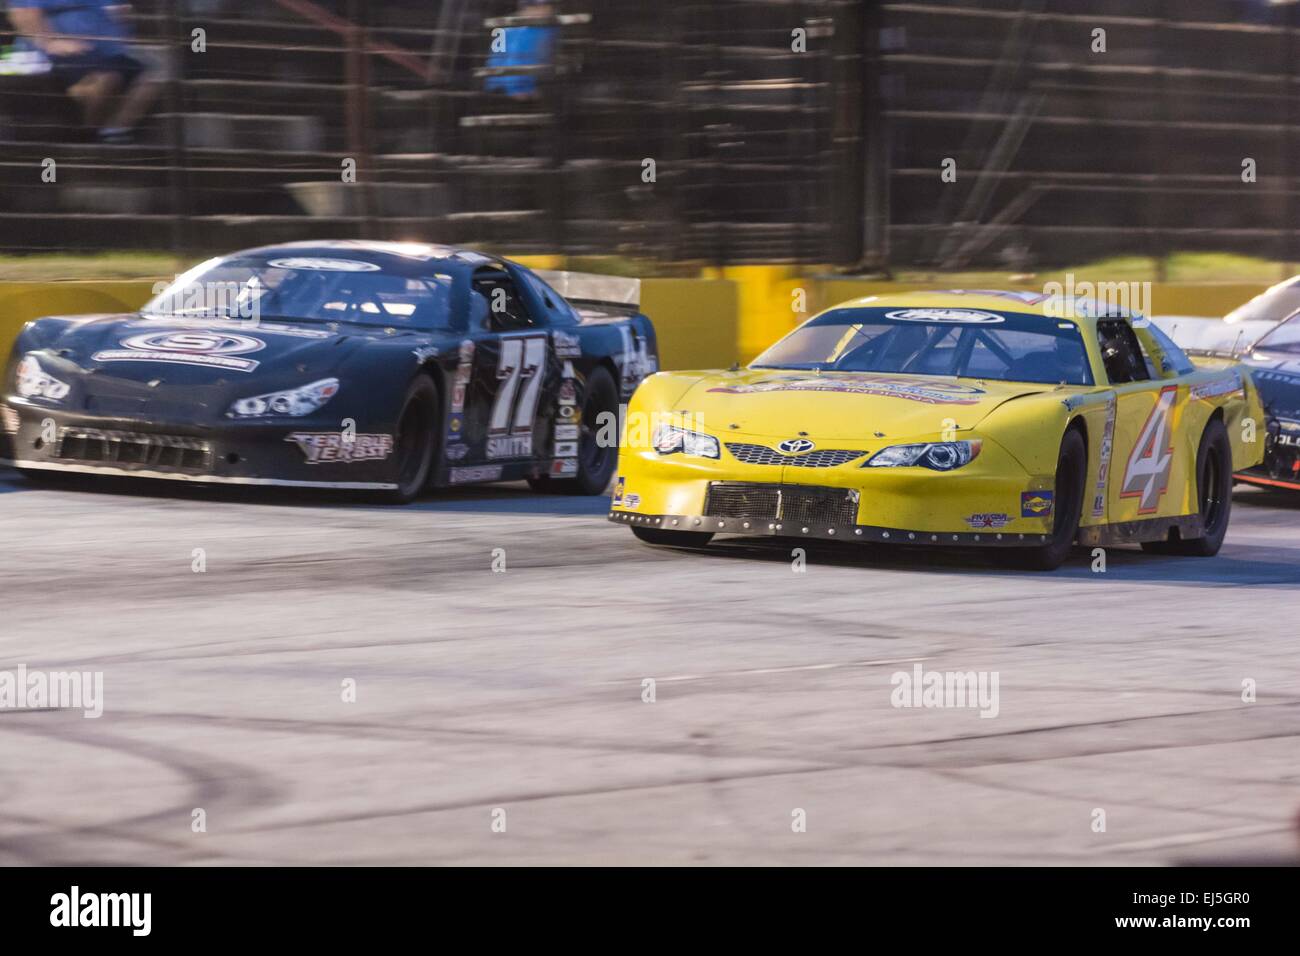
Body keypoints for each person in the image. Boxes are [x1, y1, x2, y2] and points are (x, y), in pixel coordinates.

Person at [7, 1, 162, 143]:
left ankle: (113, 132)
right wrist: (50, 42)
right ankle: (86, 136)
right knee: (105, 80)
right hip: (62, 53)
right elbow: (23, 12)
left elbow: (115, 13)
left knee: (152, 79)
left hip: (104, 53)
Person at [484, 0, 556, 100]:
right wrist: (515, 90)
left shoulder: (548, 29)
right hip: (504, 90)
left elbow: (544, 59)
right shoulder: (505, 29)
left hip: (535, 87)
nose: (545, 9)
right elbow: (500, 62)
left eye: (547, 5)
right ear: (526, 8)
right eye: (539, 6)